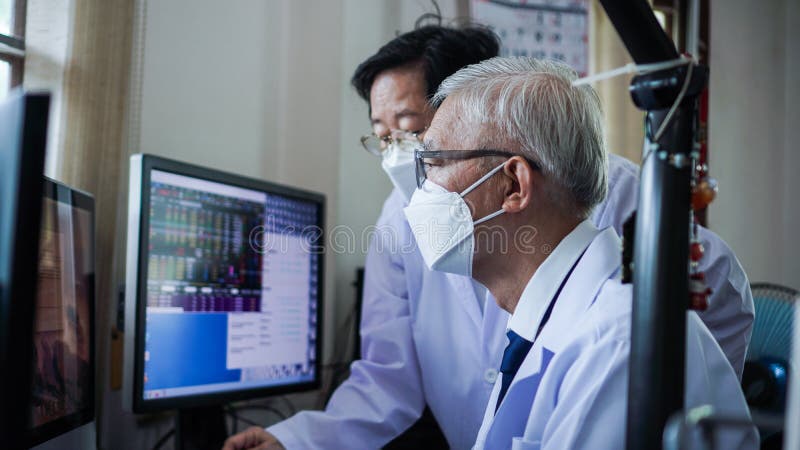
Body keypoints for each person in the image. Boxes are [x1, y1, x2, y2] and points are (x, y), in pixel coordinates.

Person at [223, 25, 753, 450]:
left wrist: (670, 408)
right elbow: (387, 374)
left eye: (420, 139)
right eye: (383, 138)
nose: (403, 164)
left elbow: (716, 301)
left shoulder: (613, 304)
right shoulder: (403, 219)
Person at [405, 56, 755, 449]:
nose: (422, 189)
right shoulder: (545, 317)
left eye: (432, 162)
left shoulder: (616, 347)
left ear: (513, 186)